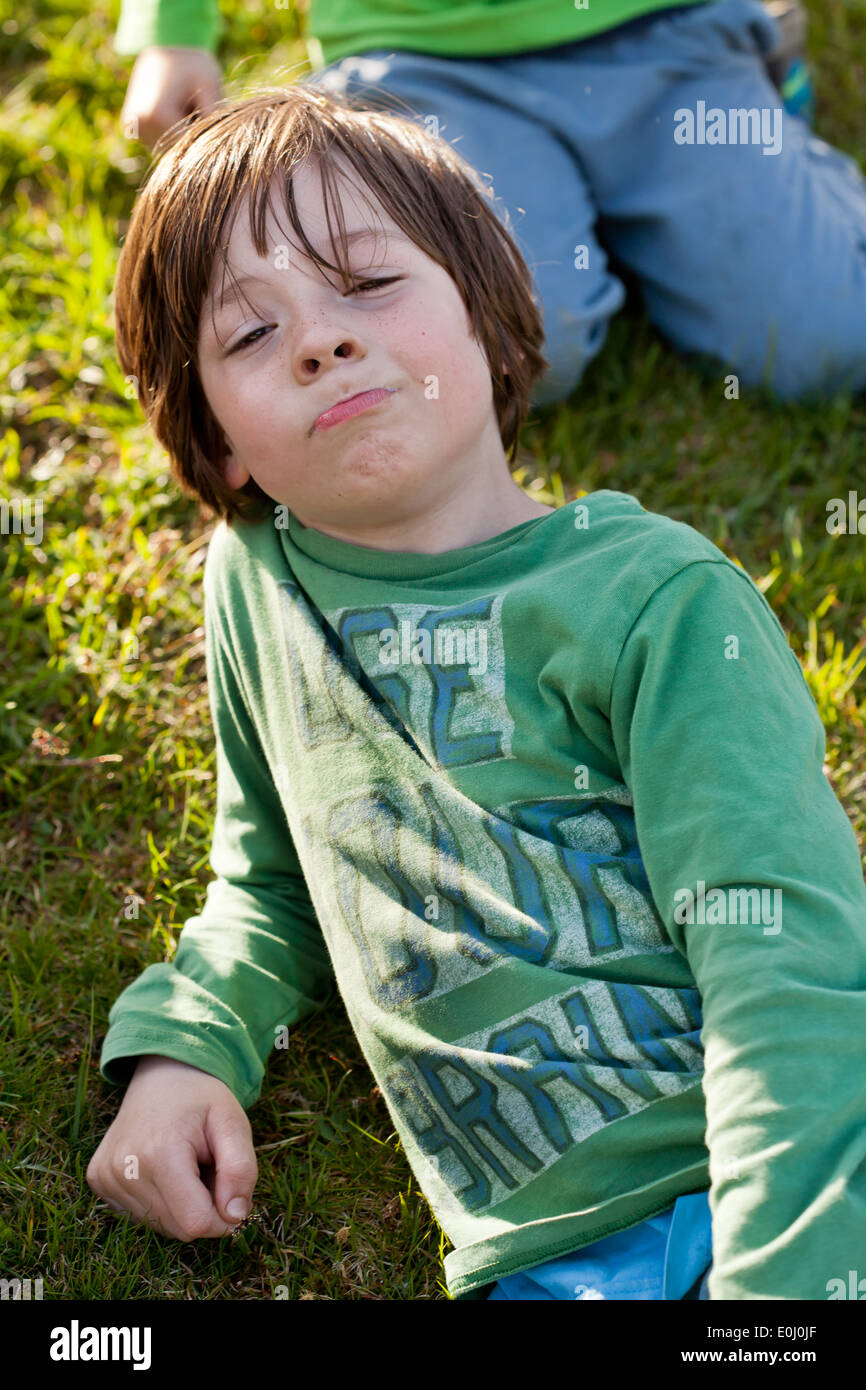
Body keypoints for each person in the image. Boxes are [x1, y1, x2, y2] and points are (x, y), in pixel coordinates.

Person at [86, 84, 866, 1301]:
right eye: (249, 335)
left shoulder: (656, 602)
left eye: (367, 282)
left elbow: (785, 955)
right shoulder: (260, 585)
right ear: (222, 443)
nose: (319, 339)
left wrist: (782, 1284)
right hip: (545, 1266)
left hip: (776, 1190)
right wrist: (189, 1044)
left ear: (491, 320)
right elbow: (269, 879)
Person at [112, 0, 866, 408]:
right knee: (513, 355)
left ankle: (760, 80)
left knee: (824, 344)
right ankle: (613, 222)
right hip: (419, 52)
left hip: (663, 27)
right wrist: (171, 30)